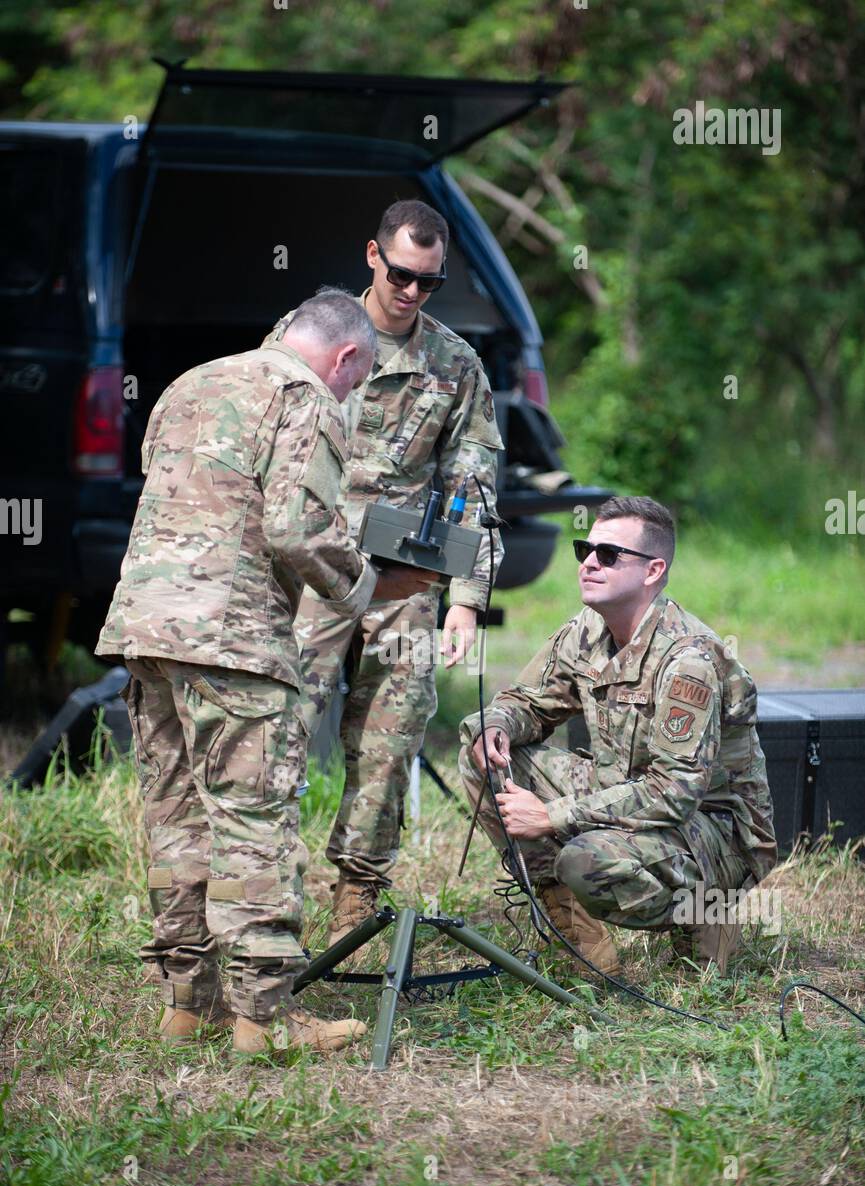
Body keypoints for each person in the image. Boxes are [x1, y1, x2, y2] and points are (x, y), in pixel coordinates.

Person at [96, 288, 431, 1053]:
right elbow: (293, 528)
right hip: (232, 637)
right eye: (358, 378)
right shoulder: (307, 397)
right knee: (254, 825)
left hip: (145, 627)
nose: (351, 392)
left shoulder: (192, 382)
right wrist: (369, 584)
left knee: (176, 817)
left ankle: (188, 1002)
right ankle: (263, 1018)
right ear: (346, 357)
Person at [264, 200, 503, 945]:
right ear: (372, 255)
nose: (410, 292)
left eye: (428, 282)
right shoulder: (313, 336)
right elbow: (264, 441)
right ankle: (263, 895)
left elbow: (471, 484)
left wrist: (466, 599)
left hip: (403, 579)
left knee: (391, 735)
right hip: (314, 566)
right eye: (400, 274)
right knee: (279, 726)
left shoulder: (455, 364)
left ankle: (356, 896)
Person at [460, 495, 777, 975]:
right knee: (481, 754)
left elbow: (673, 793)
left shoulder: (686, 661)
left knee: (584, 859)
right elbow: (529, 702)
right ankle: (578, 936)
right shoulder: (587, 630)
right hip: (622, 789)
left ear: (652, 571)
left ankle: (706, 912)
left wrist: (552, 815)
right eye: (585, 550)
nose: (589, 562)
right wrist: (499, 725)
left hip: (710, 830)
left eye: (608, 555)